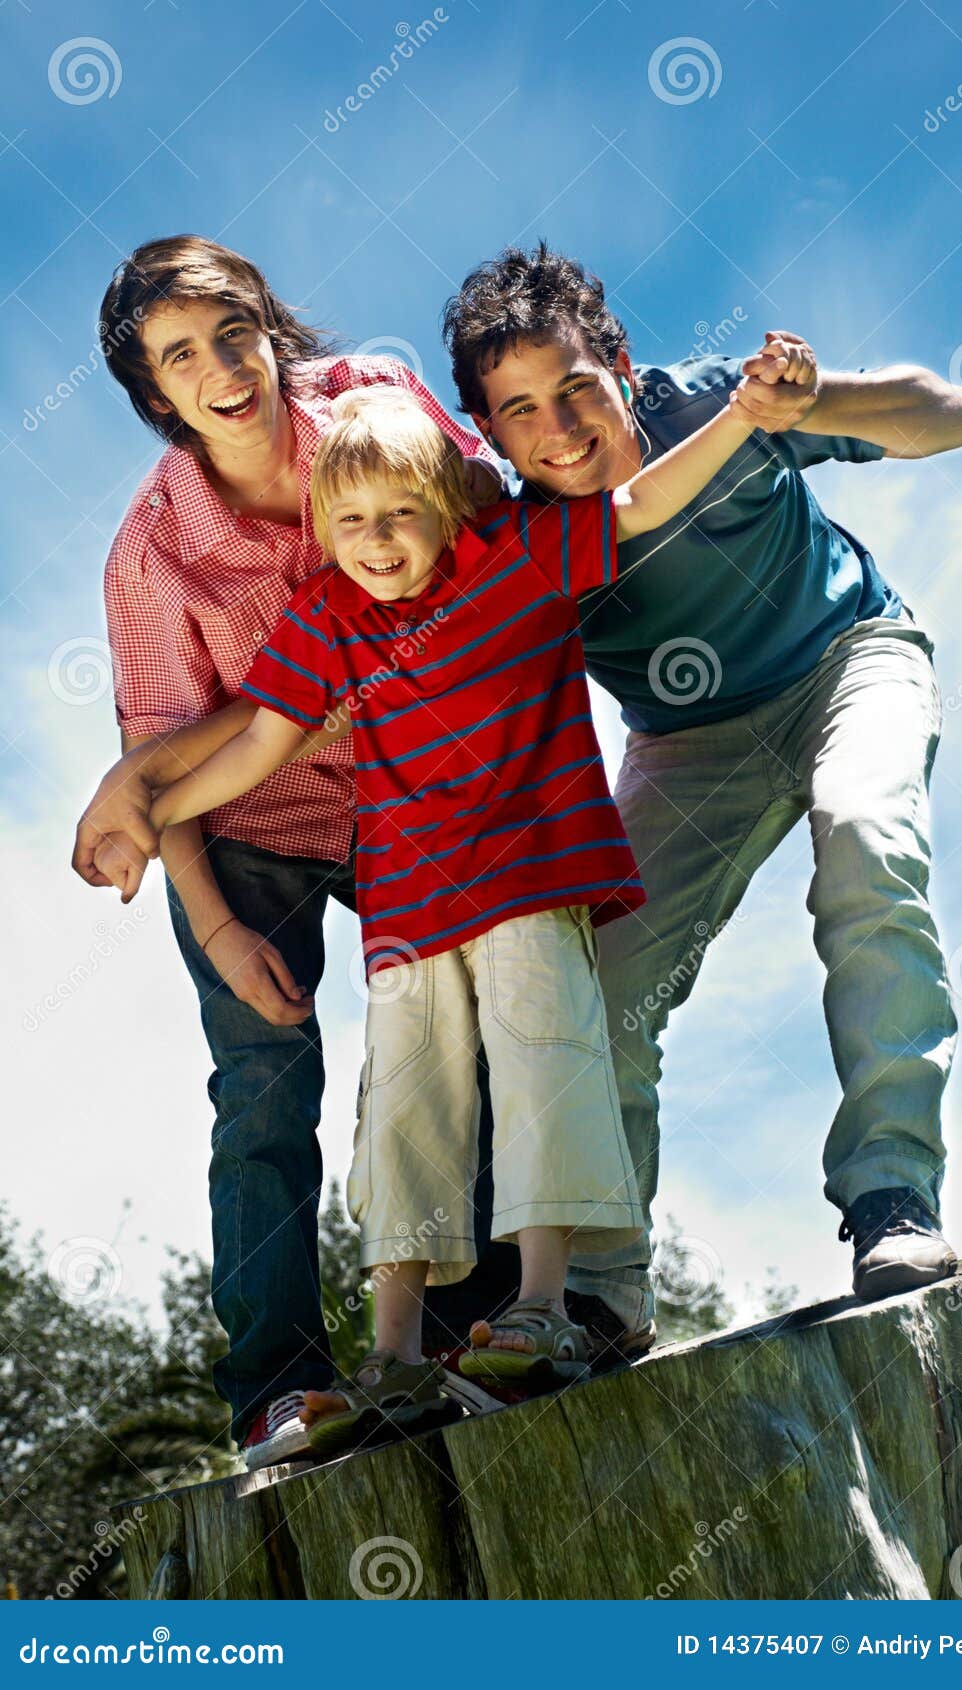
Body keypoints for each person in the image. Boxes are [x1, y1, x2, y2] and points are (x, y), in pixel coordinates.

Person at [132, 368, 771, 1452]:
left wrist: (745, 418)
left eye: (399, 514)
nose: (376, 540)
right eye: (350, 522)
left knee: (541, 1073)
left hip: (528, 883)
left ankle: (542, 1304)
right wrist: (150, 813)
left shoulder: (517, 558)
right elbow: (262, 743)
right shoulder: (329, 616)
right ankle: (395, 1354)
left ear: (444, 507)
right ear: (323, 532)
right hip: (409, 910)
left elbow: (639, 503)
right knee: (404, 1110)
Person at [441, 244, 962, 1340]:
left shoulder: (712, 405)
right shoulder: (521, 541)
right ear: (488, 433)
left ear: (622, 367)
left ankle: (890, 1191)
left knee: (865, 836)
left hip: (847, 658)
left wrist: (808, 402)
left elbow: (953, 415)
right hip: (687, 746)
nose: (560, 428)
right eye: (521, 411)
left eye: (576, 387)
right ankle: (605, 1291)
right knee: (603, 985)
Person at [70, 235, 506, 1470]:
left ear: (271, 328)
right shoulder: (152, 550)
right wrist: (216, 928)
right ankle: (276, 1386)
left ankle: (469, 1337)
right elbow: (160, 772)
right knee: (263, 1090)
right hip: (247, 832)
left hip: (408, 793)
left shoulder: (372, 407)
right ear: (154, 391)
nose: (220, 370)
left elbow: (486, 532)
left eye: (232, 333)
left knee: (463, 1041)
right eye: (178, 357)